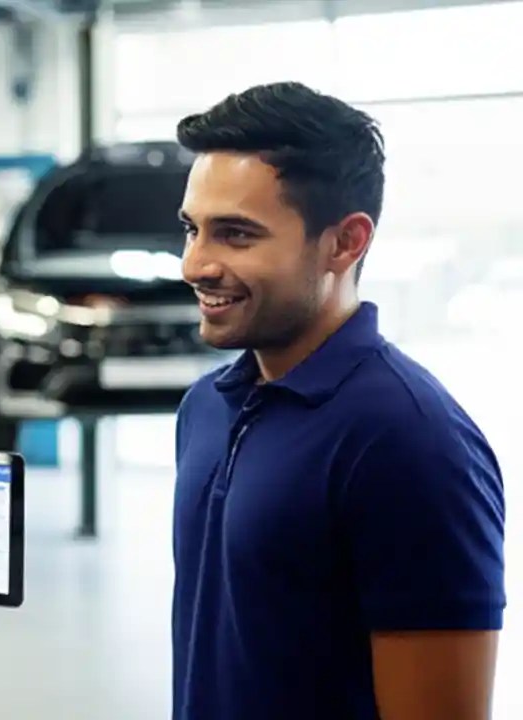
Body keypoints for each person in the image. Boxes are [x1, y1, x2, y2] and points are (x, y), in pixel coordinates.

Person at [171, 82, 506, 720]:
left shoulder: (411, 442)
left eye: (235, 235)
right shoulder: (206, 408)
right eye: (192, 229)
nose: (195, 264)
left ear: (345, 242)